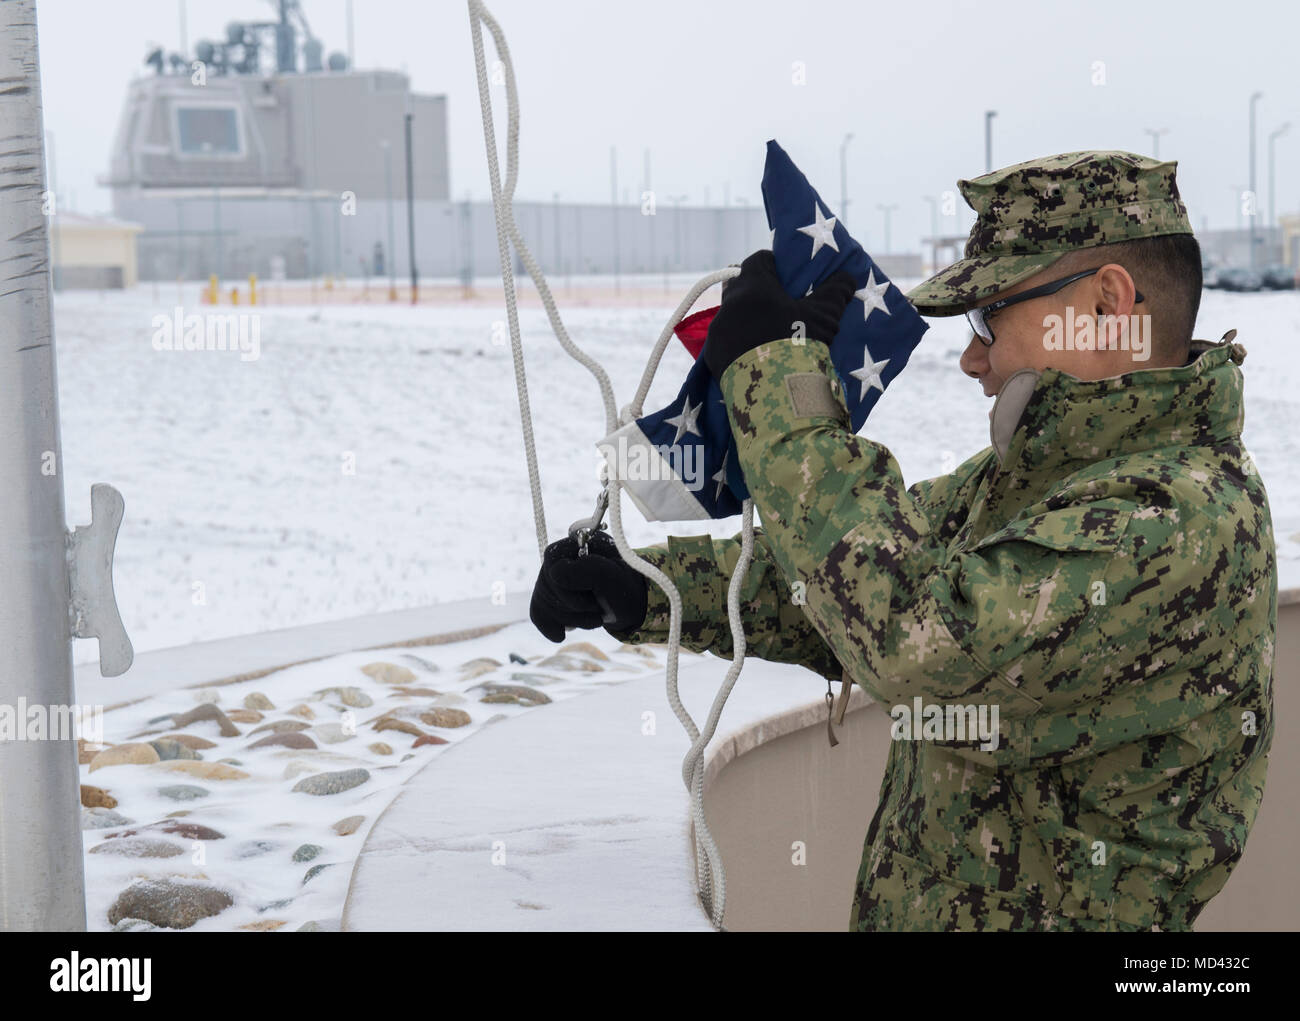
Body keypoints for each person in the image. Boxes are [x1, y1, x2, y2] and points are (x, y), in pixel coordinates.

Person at [529, 151, 1276, 932]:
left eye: (990, 317)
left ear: (1106, 304)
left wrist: (780, 379)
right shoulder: (1051, 477)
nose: (971, 357)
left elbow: (912, 638)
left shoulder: (1175, 517)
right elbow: (857, 579)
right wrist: (648, 588)